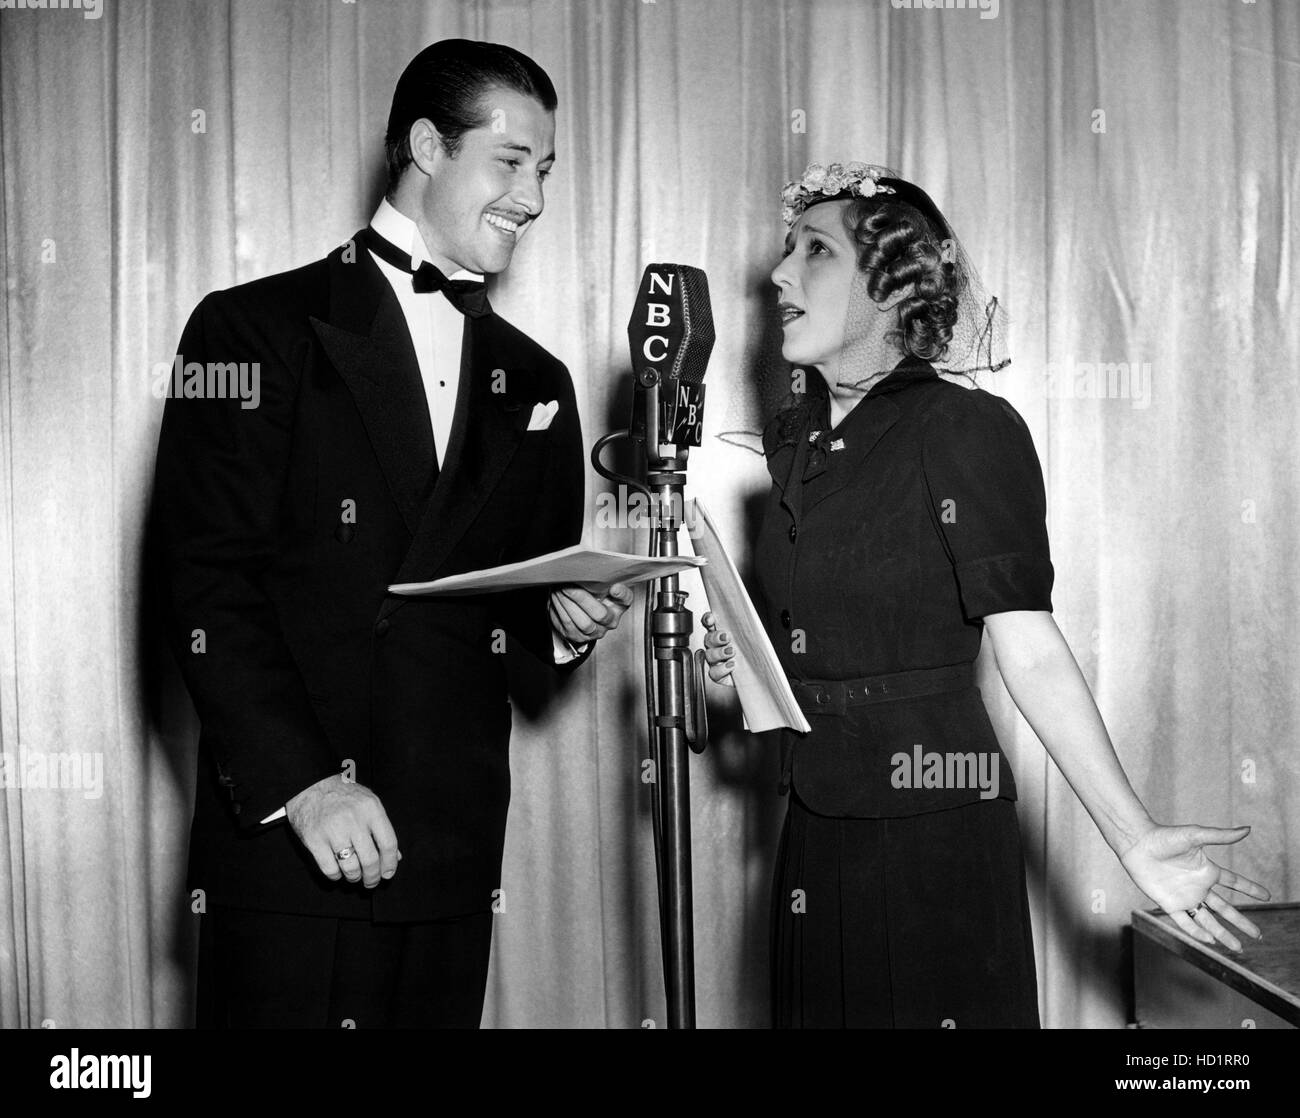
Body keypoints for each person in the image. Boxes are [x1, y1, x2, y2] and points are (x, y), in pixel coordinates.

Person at [702, 162, 1270, 1028]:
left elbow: (1030, 649)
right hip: (816, 825)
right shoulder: (794, 447)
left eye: (814, 251)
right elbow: (827, 641)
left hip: (932, 827)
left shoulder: (964, 428)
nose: (778, 274)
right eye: (788, 250)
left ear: (892, 284)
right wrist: (742, 666)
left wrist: (1134, 838)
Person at [153, 39, 632, 1028]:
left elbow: (519, 645)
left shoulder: (539, 382)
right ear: (424, 145)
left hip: (451, 861)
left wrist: (564, 624)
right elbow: (201, 581)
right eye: (511, 161)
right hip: (295, 845)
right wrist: (302, 786)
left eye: (544, 170)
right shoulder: (249, 329)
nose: (534, 199)